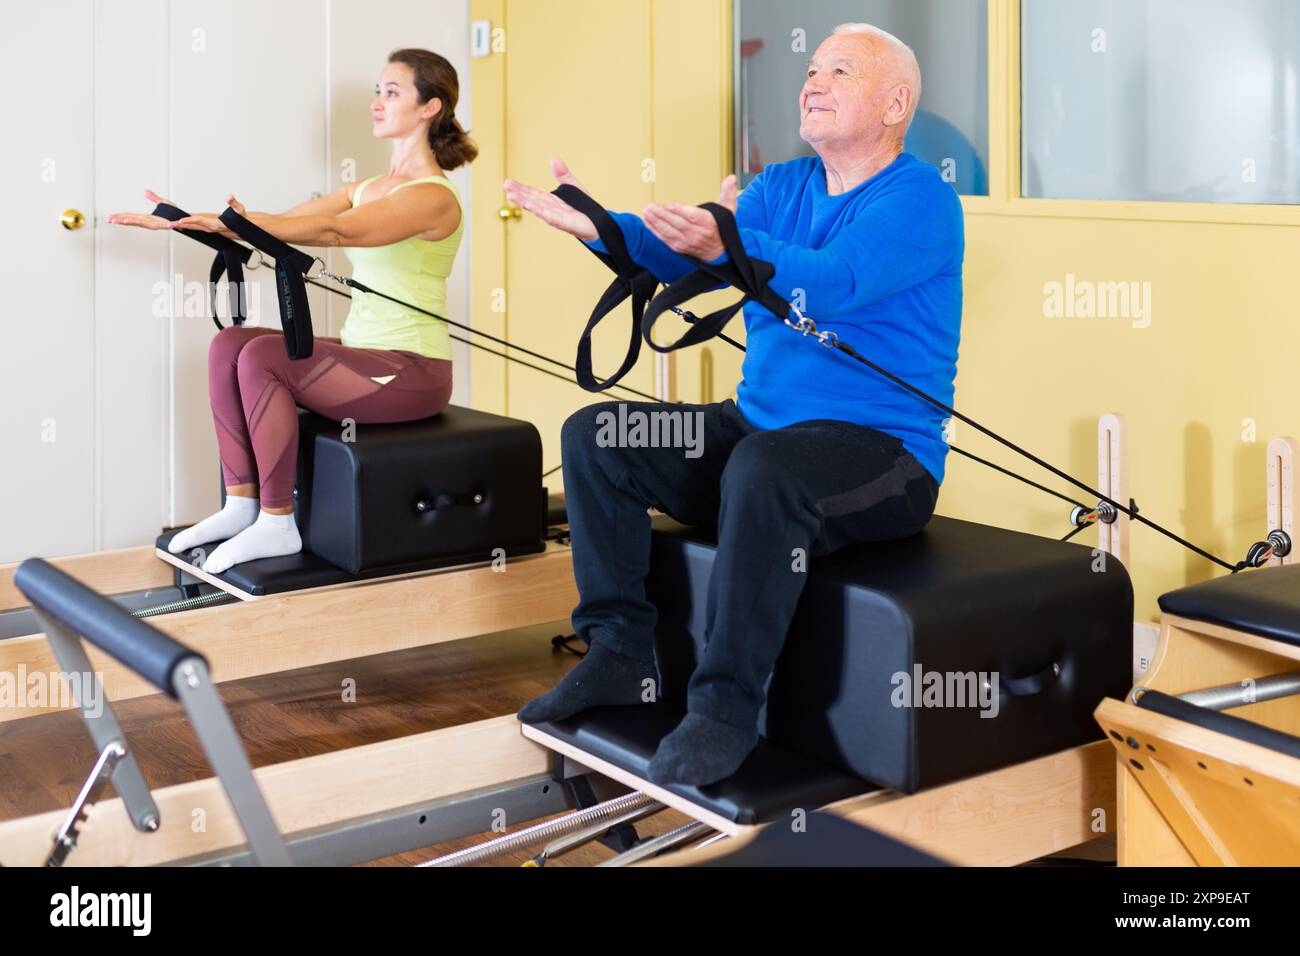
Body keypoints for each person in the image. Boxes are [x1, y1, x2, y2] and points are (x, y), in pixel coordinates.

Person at [505, 24, 965, 787]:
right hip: (761, 430)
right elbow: (687, 251)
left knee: (765, 467)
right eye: (811, 68)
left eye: (838, 71)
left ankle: (725, 711)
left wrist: (728, 244)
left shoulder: (921, 199)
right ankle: (620, 653)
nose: (811, 81)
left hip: (883, 453)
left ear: (895, 102)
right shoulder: (779, 185)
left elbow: (834, 279)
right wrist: (602, 228)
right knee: (601, 433)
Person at [109, 49, 475, 574]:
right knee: (229, 347)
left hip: (413, 369)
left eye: (391, 92)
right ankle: (241, 506)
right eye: (377, 90)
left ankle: (278, 522)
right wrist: (187, 220)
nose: (376, 102)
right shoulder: (366, 188)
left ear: (428, 107)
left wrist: (235, 223)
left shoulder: (434, 197)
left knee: (264, 357)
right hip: (364, 353)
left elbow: (336, 231)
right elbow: (280, 222)